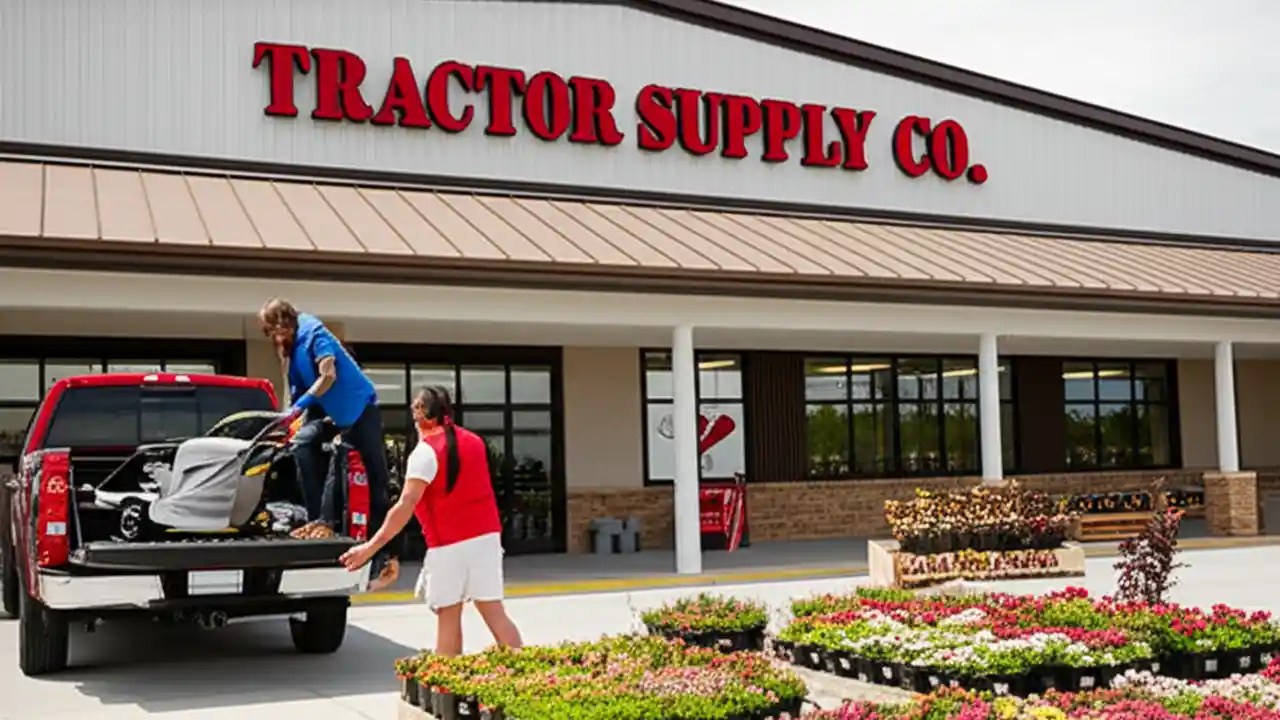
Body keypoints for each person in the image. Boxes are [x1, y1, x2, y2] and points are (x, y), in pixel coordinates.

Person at [340, 386, 523, 657]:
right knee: (494, 612)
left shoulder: (424, 454)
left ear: (423, 415)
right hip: (487, 538)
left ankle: (448, 688)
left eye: (415, 411)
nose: (413, 417)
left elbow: (405, 506)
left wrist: (370, 547)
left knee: (448, 618)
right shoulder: (474, 442)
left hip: (448, 545)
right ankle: (525, 676)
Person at [257, 298, 399, 591]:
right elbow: (297, 390)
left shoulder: (313, 334)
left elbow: (328, 375)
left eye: (273, 330)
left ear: (284, 323)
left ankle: (384, 552)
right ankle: (319, 520)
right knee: (303, 444)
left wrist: (302, 405)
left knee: (376, 479)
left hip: (361, 411)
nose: (273, 337)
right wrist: (292, 418)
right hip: (332, 414)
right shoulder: (292, 349)